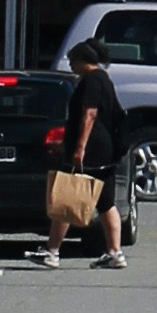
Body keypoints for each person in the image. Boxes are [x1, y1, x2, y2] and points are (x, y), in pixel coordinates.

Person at [51, 36, 129, 269]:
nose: (71, 65)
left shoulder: (91, 81)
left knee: (68, 198)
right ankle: (115, 252)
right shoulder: (105, 79)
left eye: (73, 60)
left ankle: (52, 251)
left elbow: (90, 115)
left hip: (91, 150)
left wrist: (79, 148)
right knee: (105, 202)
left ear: (84, 60)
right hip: (105, 149)